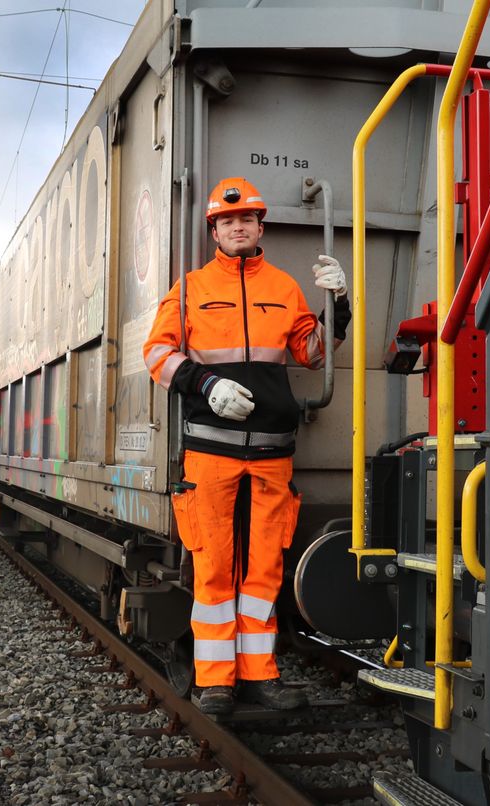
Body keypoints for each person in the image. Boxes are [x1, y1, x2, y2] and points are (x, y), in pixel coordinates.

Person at [142, 177, 350, 714]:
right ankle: (216, 681)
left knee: (264, 568)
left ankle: (261, 674)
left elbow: (312, 353)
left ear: (260, 227)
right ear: (215, 229)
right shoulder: (188, 289)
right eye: (226, 221)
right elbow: (157, 354)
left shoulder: (283, 287)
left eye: (246, 220)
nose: (237, 227)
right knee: (213, 564)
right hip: (211, 451)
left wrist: (340, 306)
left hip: (273, 453)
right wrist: (205, 383)